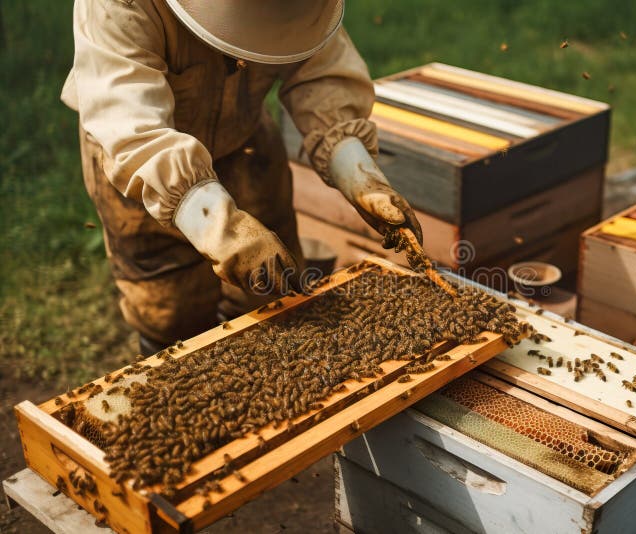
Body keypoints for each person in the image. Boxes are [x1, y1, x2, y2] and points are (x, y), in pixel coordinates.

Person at [61, 0, 423, 354]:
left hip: (243, 138)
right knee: (170, 309)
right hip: (140, 156)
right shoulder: (118, 4)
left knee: (275, 288)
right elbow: (131, 124)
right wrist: (222, 227)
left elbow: (322, 70)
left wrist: (358, 175)